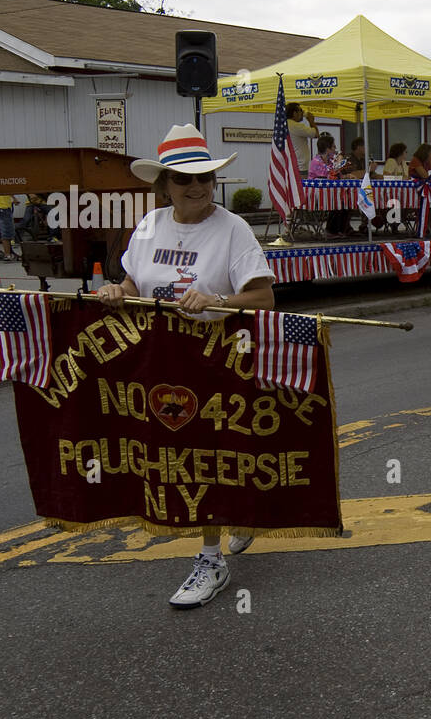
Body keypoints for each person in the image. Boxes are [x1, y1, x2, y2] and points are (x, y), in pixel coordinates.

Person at [96, 124, 275, 609]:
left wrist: (216, 299)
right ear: (163, 185)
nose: (196, 187)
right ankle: (236, 516)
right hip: (159, 358)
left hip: (218, 358)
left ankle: (210, 558)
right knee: (178, 451)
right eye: (183, 179)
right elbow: (134, 284)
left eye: (205, 178)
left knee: (207, 455)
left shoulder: (232, 228)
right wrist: (117, 292)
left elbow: (263, 297)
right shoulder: (150, 225)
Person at [285, 103, 318, 175]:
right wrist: (311, 120)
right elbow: (316, 134)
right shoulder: (296, 126)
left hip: (289, 165)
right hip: (299, 167)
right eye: (300, 111)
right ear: (294, 113)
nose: (302, 113)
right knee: (300, 186)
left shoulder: (284, 124)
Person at [0, 193, 21, 260]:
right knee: (6, 230)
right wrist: (14, 199)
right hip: (2, 206)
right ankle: (7, 254)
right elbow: (7, 190)